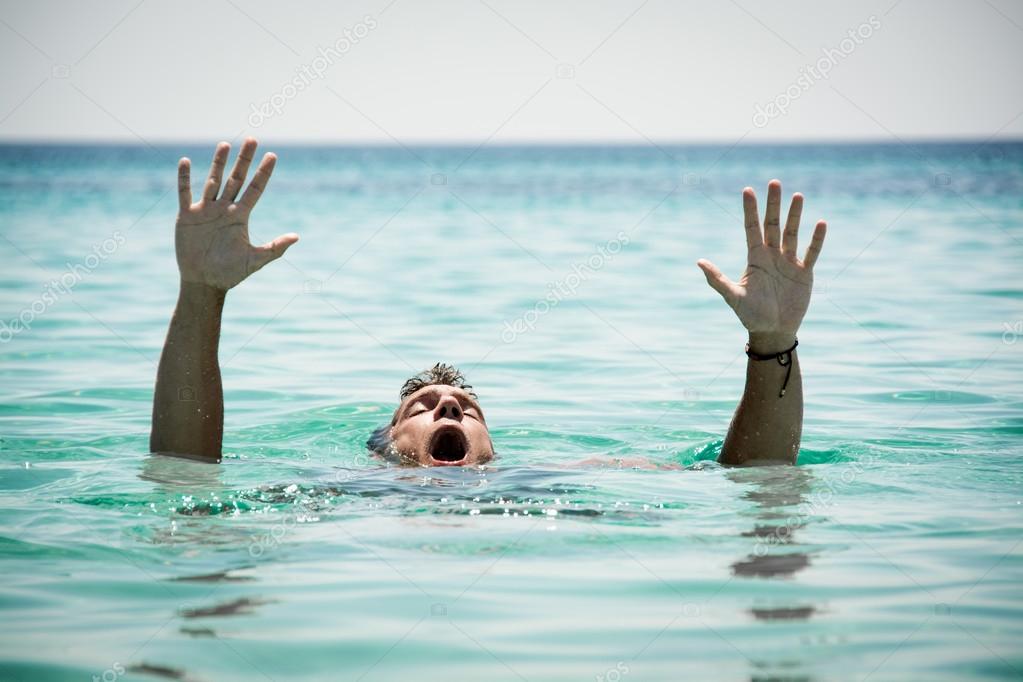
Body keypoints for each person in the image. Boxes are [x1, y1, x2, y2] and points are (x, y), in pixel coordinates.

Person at [150, 139, 827, 467]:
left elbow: (757, 483)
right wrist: (201, 294)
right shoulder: (337, 502)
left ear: (492, 447)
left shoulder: (552, 487)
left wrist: (772, 345)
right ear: (384, 446)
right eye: (423, 408)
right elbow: (185, 483)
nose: (448, 406)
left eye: (465, 409)